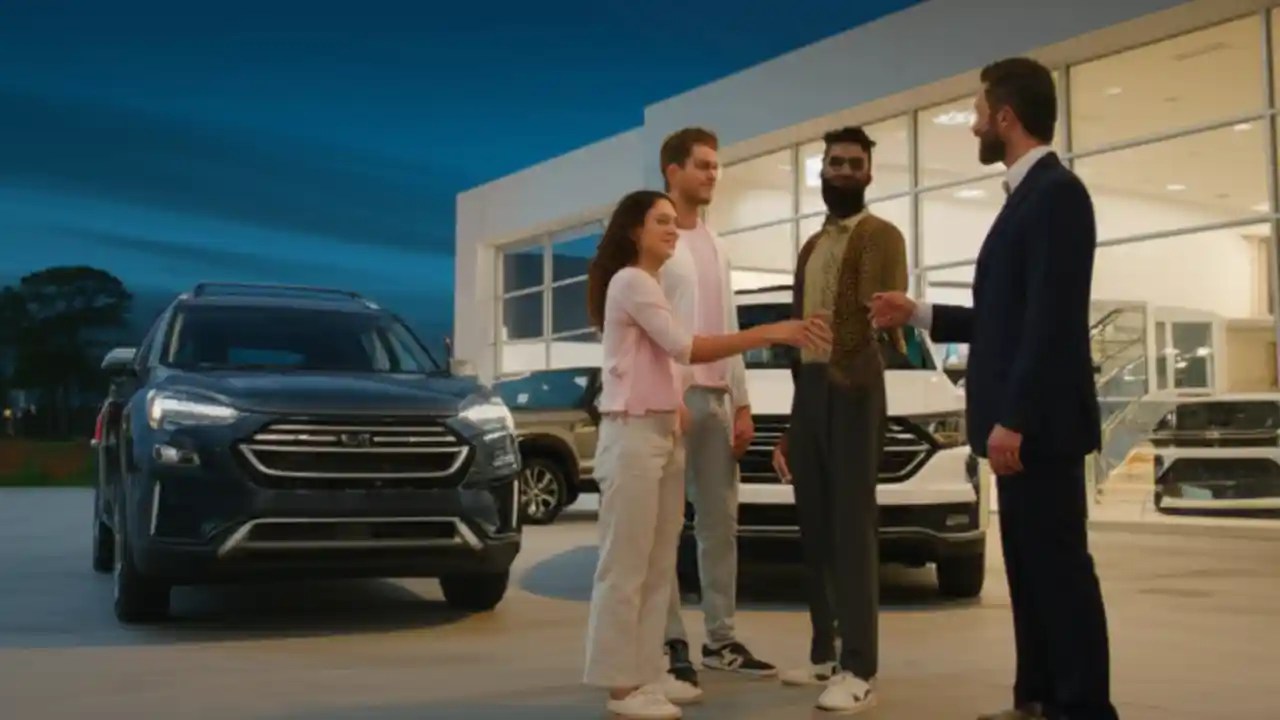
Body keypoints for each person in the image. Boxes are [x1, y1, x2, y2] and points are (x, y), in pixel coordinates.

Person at [868, 57, 1118, 720]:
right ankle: (1036, 698)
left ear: (1005, 118)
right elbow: (1006, 318)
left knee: (1059, 573)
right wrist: (918, 312)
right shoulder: (1029, 198)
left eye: (980, 112)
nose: (975, 122)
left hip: (1036, 430)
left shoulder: (1058, 195)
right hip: (1023, 428)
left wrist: (1015, 417)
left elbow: (1051, 321)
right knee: (1033, 575)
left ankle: (1083, 708)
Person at [582, 189, 831, 720]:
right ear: (634, 231)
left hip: (659, 436)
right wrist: (771, 332)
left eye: (675, 222)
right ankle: (620, 687)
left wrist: (678, 404)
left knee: (655, 564)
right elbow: (684, 346)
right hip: (631, 440)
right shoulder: (630, 281)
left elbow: (669, 360)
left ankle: (649, 672)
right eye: (661, 222)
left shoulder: (649, 285)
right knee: (625, 565)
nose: (674, 230)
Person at [769, 125, 909, 715]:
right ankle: (825, 652)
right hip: (810, 391)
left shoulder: (883, 235)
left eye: (854, 164)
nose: (844, 172)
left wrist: (855, 364)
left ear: (869, 174)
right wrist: (795, 416)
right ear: (821, 173)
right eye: (835, 164)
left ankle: (861, 667)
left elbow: (889, 321)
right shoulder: (810, 246)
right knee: (815, 527)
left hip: (855, 390)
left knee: (853, 527)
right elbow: (800, 328)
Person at [655, 127, 778, 693]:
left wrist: (744, 404)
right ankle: (669, 642)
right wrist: (663, 395)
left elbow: (729, 328)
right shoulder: (655, 243)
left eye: (715, 166)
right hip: (669, 404)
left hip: (717, 402)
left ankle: (720, 641)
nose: (712, 175)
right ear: (672, 171)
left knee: (719, 526)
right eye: (702, 165)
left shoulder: (717, 245)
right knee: (663, 529)